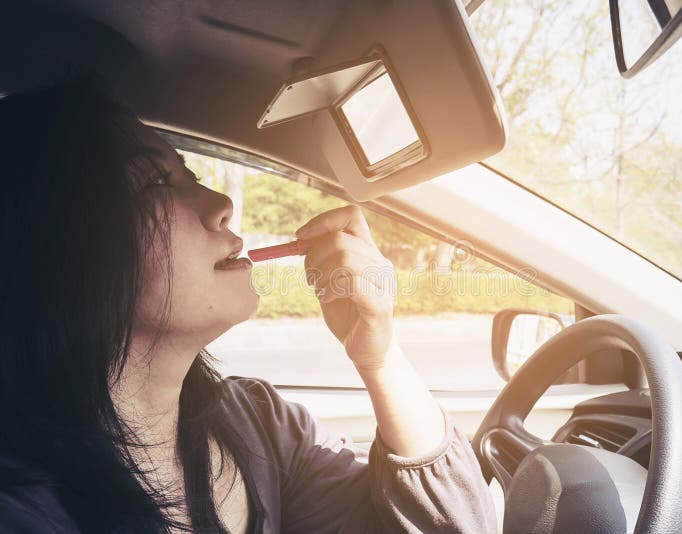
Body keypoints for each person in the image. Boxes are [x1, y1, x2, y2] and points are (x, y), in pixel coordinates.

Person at [0, 80, 496, 533]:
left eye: (189, 174)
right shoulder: (22, 511)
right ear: (60, 249)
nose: (220, 202)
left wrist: (382, 358)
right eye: (155, 183)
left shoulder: (260, 428)